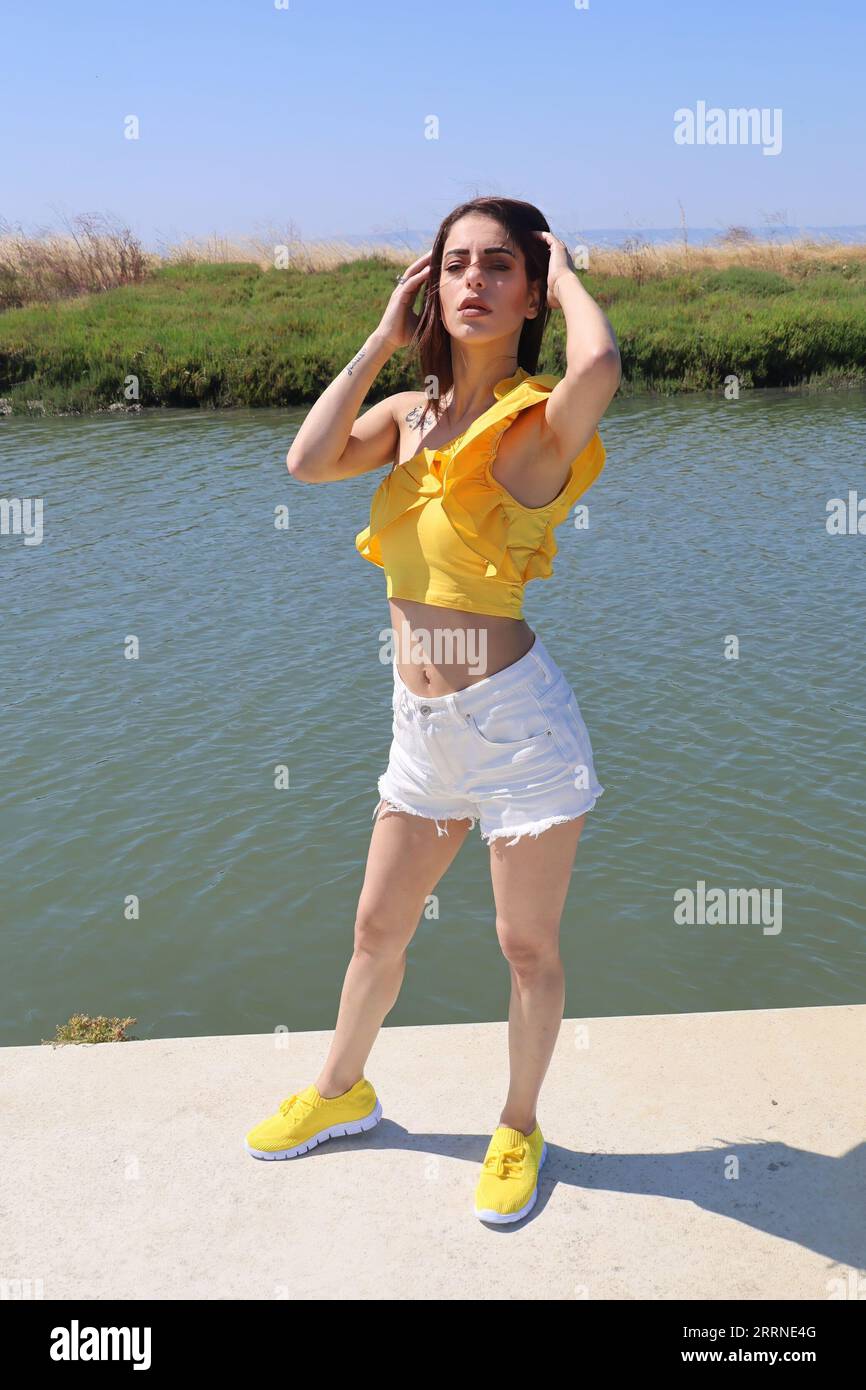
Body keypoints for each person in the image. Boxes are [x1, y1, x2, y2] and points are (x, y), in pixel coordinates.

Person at [245, 196, 621, 1224]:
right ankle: (339, 1092)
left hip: (516, 730)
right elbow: (308, 460)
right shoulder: (409, 417)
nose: (470, 283)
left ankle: (517, 1125)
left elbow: (599, 369)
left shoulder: (531, 422)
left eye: (498, 266)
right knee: (375, 926)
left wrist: (566, 269)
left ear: (530, 289)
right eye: (454, 264)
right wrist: (377, 338)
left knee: (523, 947)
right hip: (419, 729)